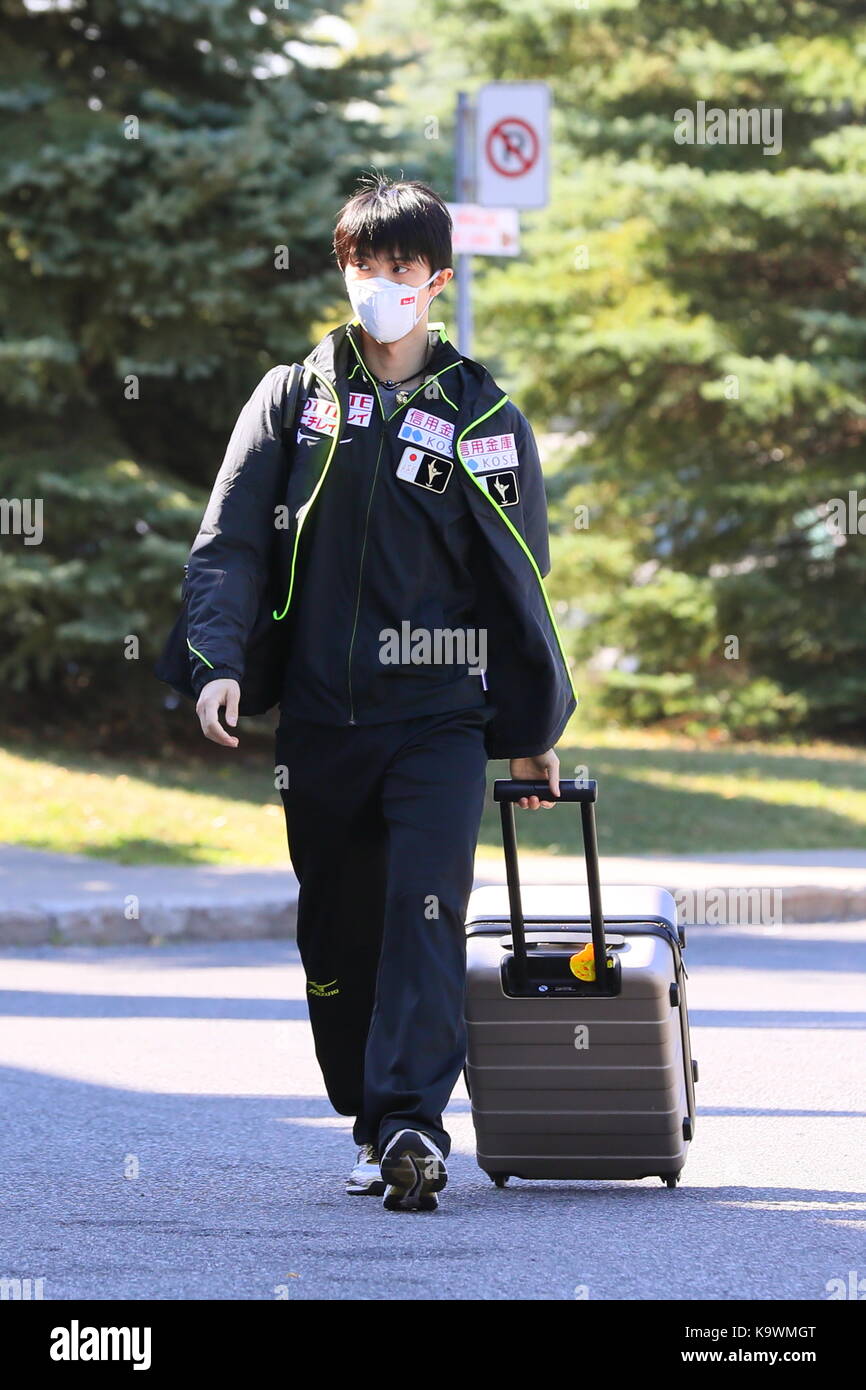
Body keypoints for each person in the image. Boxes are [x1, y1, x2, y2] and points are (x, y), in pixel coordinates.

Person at [183, 175, 577, 1212]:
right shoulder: (295, 397)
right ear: (343, 270)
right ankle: (369, 1115)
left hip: (436, 720)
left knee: (423, 912)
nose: (379, 285)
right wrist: (216, 660)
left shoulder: (480, 413)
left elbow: (518, 580)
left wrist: (529, 732)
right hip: (317, 720)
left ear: (435, 280)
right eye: (363, 265)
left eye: (400, 268)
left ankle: (412, 1119)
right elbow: (228, 544)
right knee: (338, 930)